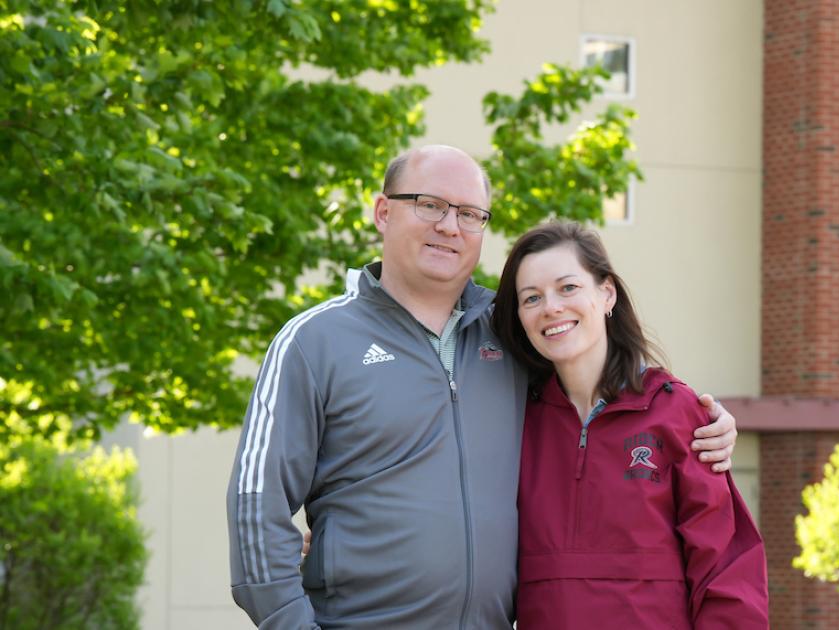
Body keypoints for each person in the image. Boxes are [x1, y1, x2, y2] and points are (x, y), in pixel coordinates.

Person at [226, 145, 739, 629]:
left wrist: (701, 417)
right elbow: (256, 502)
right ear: (383, 212)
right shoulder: (315, 341)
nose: (450, 226)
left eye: (470, 214)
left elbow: (602, 385)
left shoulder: (513, 334)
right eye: (429, 205)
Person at [491, 221, 768, 628]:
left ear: (606, 294)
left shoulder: (675, 411)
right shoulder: (514, 419)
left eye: (568, 288)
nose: (551, 307)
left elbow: (726, 569)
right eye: (531, 298)